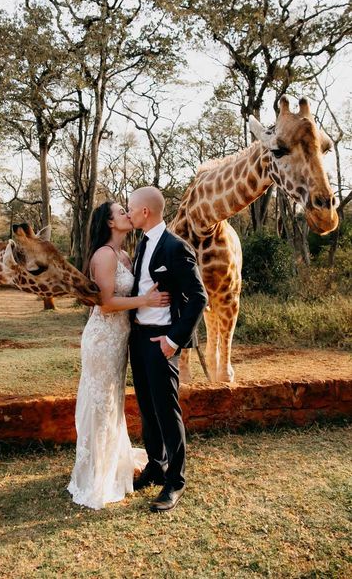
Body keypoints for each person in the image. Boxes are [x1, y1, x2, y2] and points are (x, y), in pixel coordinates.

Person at [68, 201, 170, 510]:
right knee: (100, 400)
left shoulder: (125, 255)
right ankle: (96, 472)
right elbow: (107, 303)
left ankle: (111, 461)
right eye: (121, 213)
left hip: (119, 339)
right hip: (102, 339)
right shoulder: (103, 255)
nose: (128, 215)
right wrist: (146, 299)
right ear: (111, 223)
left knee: (112, 401)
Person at [127, 186, 207, 513]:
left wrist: (173, 340)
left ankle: (175, 481)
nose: (128, 212)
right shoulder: (141, 244)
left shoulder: (175, 247)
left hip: (162, 340)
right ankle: (156, 465)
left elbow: (198, 297)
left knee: (166, 410)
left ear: (145, 211)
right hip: (138, 338)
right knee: (146, 407)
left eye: (131, 208)